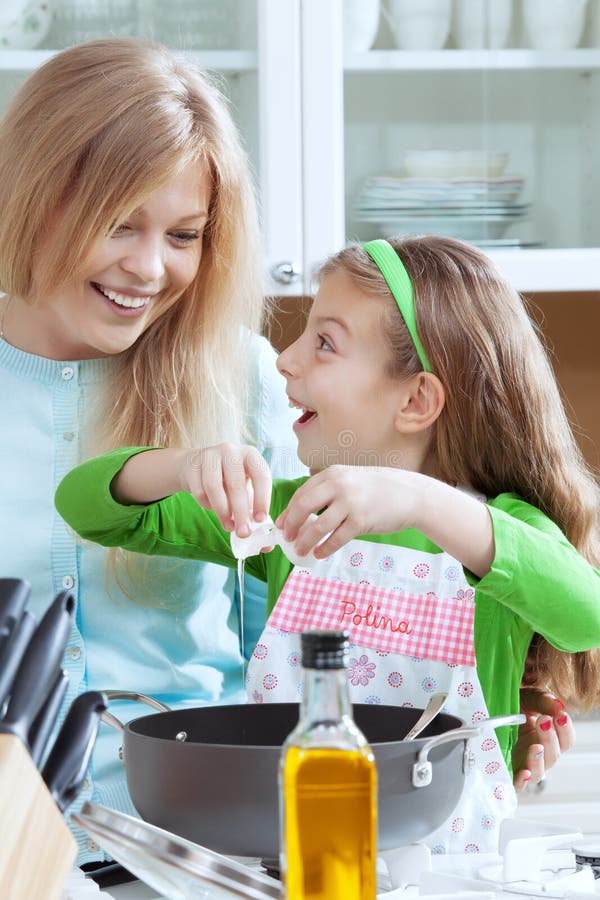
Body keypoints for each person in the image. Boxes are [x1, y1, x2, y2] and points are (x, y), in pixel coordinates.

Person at [55, 235, 600, 854]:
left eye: (324, 343)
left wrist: (421, 499)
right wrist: (183, 467)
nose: (286, 359)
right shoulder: (292, 515)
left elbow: (588, 617)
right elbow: (87, 507)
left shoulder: (497, 531)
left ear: (416, 399)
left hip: (449, 870)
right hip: (285, 858)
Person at [0, 36, 306, 867]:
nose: (150, 267)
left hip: (202, 854)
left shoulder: (241, 376)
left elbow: (291, 636)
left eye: (184, 233)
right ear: (32, 196)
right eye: (119, 223)